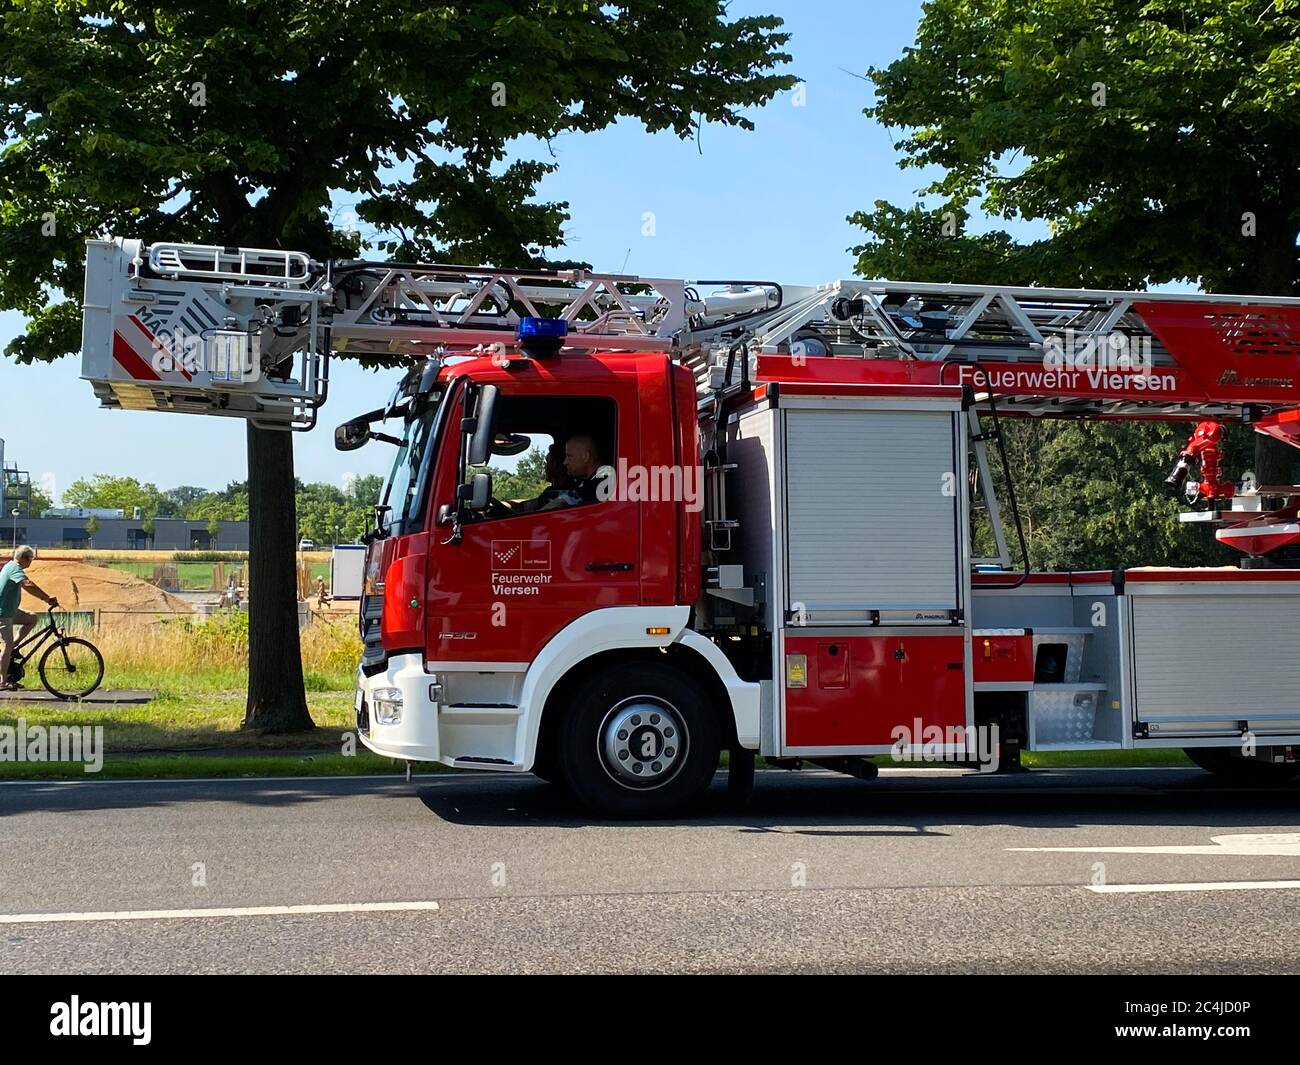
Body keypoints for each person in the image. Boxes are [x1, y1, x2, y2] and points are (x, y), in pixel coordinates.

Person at [0, 545, 59, 690]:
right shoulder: (14, 568)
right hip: (2, 614)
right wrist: (47, 598)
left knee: (32, 618)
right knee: (6, 646)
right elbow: (27, 584)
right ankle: (2, 682)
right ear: (25, 558)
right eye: (31, 558)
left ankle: (15, 645)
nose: (32, 561)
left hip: (10, 612)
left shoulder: (11, 566)